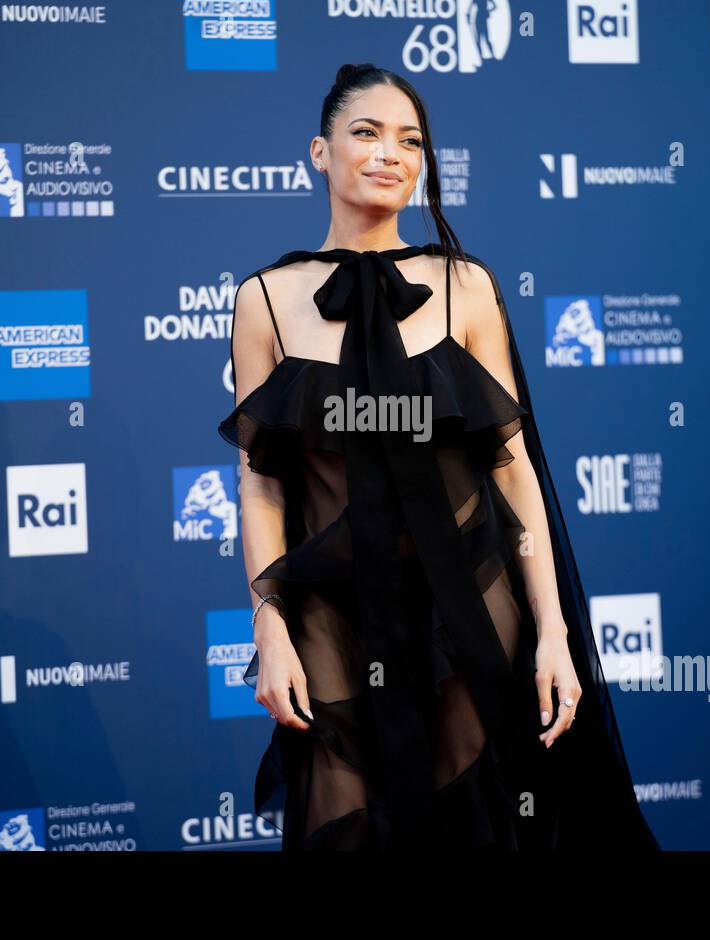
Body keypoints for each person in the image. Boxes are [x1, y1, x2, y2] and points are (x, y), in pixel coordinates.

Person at [219, 63, 659, 850]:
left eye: (410, 140)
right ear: (318, 153)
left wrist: (553, 633)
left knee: (487, 829)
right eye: (366, 133)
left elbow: (513, 469)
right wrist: (269, 627)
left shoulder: (465, 285)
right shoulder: (265, 299)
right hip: (333, 626)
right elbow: (260, 484)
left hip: (471, 610)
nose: (390, 153)